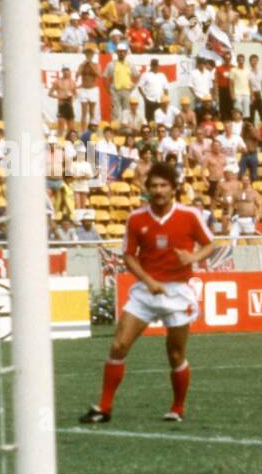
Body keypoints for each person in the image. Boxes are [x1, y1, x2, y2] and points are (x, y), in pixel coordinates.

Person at [79, 162, 215, 425]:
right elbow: (129, 256)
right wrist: (148, 280)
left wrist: (193, 257)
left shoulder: (189, 215)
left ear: (174, 189)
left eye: (164, 185)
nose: (158, 190)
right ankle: (104, 407)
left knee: (175, 354)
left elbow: (210, 244)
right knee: (118, 345)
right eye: (153, 185)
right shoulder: (136, 218)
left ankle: (177, 407)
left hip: (177, 292)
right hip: (145, 290)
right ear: (147, 189)